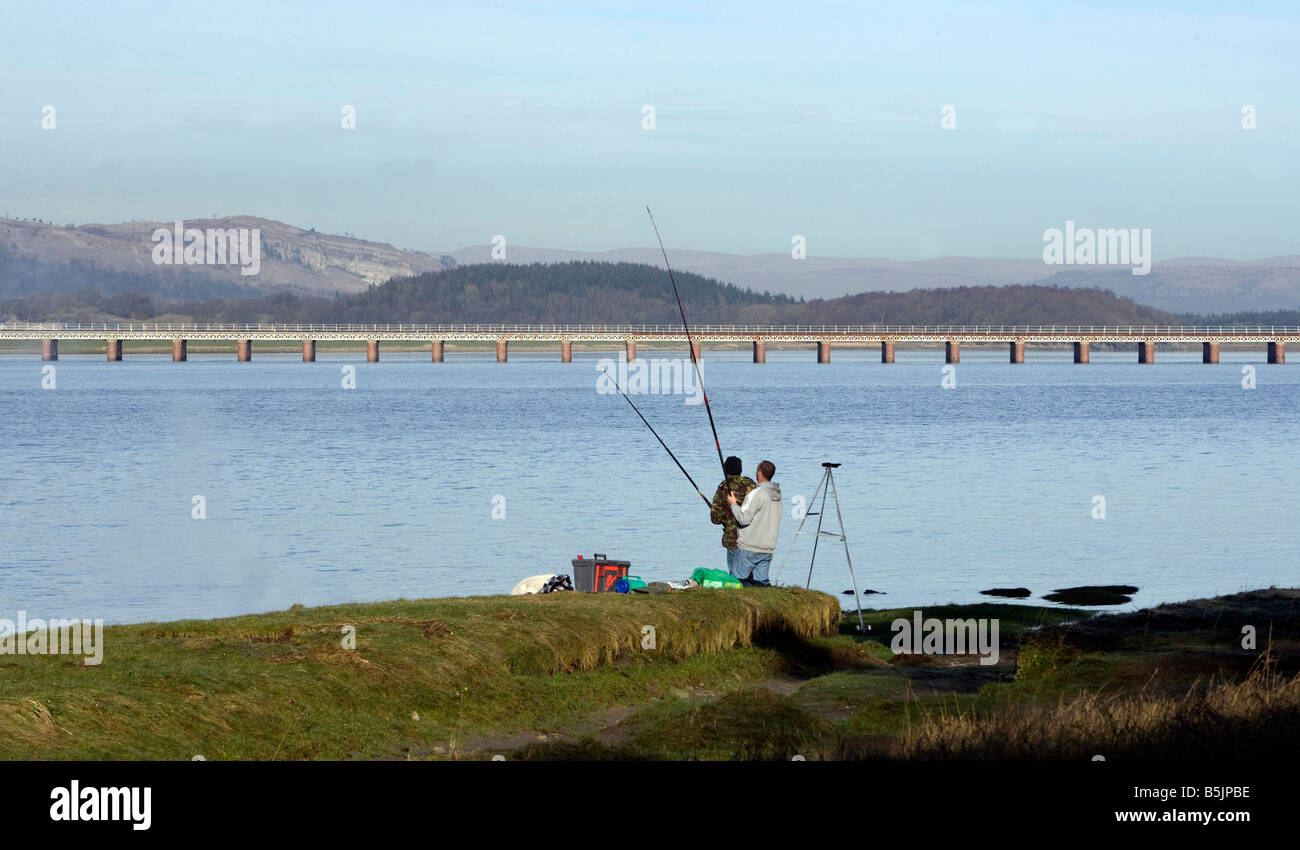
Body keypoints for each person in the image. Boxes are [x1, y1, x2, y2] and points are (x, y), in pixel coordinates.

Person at [727, 459, 781, 587]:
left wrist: (733, 503)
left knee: (736, 583)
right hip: (767, 548)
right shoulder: (778, 496)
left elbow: (743, 519)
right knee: (760, 585)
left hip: (749, 547)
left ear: (759, 473)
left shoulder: (756, 493)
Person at [710, 456, 756, 578]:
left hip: (733, 538)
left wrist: (724, 515)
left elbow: (715, 519)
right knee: (753, 574)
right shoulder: (752, 485)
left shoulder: (723, 488)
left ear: (726, 471)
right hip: (753, 537)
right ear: (740, 469)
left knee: (735, 576)